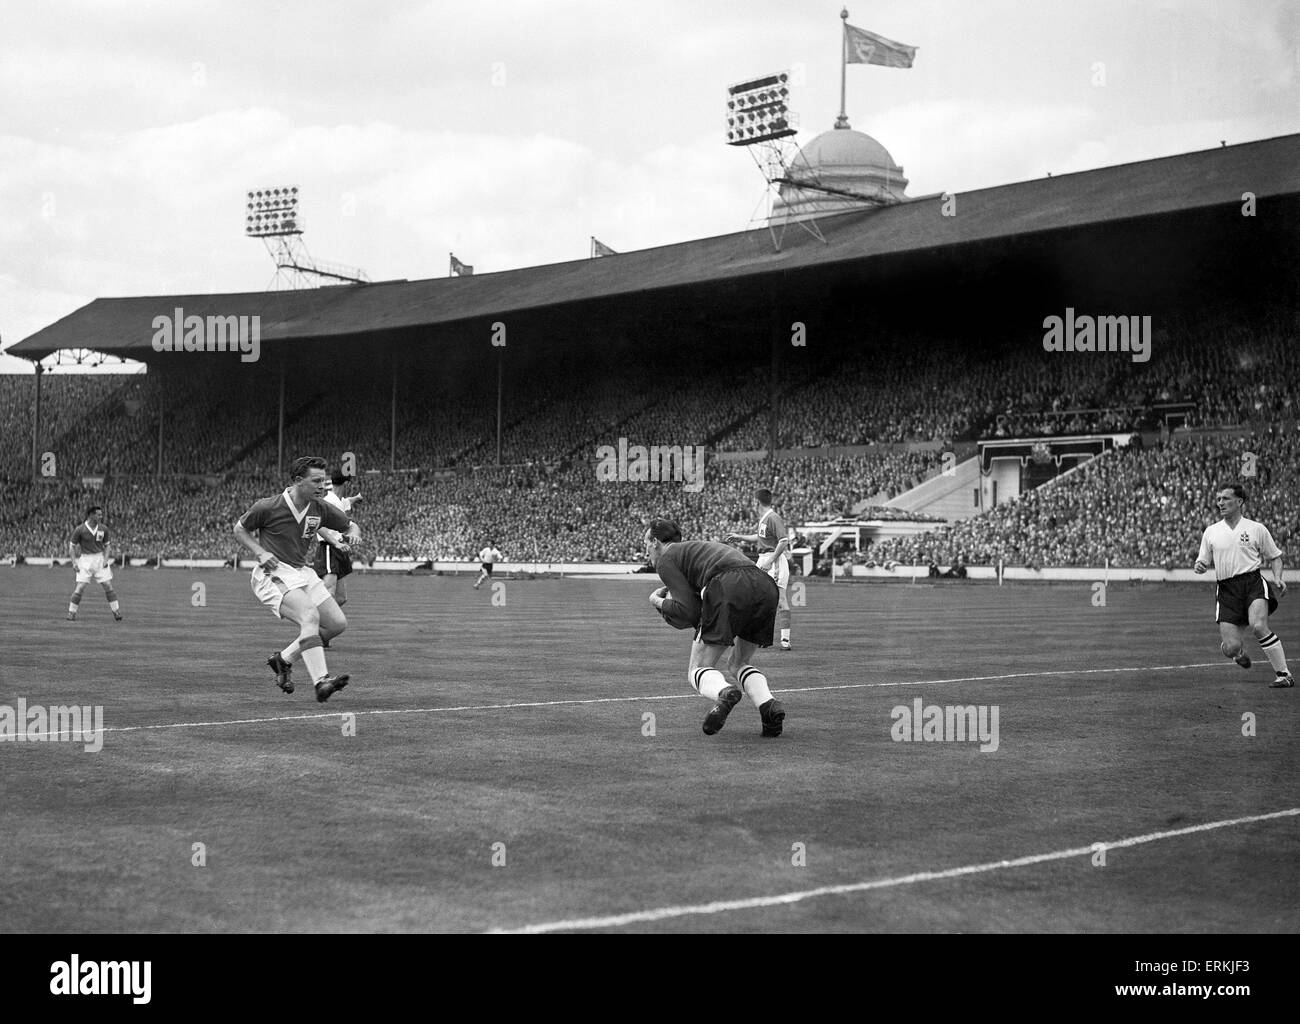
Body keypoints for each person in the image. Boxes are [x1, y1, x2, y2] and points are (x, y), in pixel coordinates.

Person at [234, 456, 360, 702]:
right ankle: (321, 681)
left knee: (336, 624)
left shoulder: (319, 507)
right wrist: (260, 552)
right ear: (297, 481)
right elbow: (239, 529)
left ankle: (283, 660)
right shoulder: (268, 506)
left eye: (324, 481)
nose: (322, 486)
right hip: (273, 573)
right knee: (310, 616)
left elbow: (350, 525)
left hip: (301, 571)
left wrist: (353, 534)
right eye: (316, 481)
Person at [645, 518, 785, 737]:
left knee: (697, 669)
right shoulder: (696, 549)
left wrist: (657, 601)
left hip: (728, 584)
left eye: (646, 544)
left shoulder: (667, 558)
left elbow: (689, 611)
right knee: (738, 663)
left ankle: (725, 693)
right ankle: (769, 707)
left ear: (655, 542)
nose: (646, 553)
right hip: (764, 585)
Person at [1194, 483, 1292, 687]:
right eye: (1219, 499)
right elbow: (1201, 560)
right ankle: (1237, 653)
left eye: (1226, 498)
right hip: (1227, 590)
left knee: (1258, 626)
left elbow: (1275, 557)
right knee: (1230, 647)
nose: (1220, 502)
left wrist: (1278, 577)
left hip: (1252, 583)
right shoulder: (1211, 532)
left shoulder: (1256, 529)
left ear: (1240, 501)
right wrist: (1200, 565)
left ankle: (1284, 675)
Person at [726, 488, 793, 650]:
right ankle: (758, 636)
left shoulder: (773, 517)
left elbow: (783, 540)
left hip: (773, 561)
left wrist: (771, 560)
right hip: (763, 560)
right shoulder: (764, 518)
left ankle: (785, 640)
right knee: (756, 599)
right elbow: (761, 537)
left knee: (780, 600)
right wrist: (740, 537)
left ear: (757, 502)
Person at [313, 471, 362, 610]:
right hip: (329, 547)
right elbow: (318, 525)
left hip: (339, 548)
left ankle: (321, 619)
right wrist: (336, 543)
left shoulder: (339, 501)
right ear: (346, 483)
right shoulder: (328, 502)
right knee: (329, 591)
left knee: (341, 598)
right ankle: (313, 619)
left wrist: (357, 498)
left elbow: (347, 501)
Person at [66, 505, 122, 622]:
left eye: (101, 514)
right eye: (99, 514)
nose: (101, 516)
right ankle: (71, 613)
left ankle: (116, 611)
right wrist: (74, 563)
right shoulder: (80, 529)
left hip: (99, 559)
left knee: (107, 585)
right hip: (85, 560)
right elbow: (71, 547)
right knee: (80, 587)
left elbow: (107, 546)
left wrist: (106, 560)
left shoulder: (103, 529)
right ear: (91, 515)